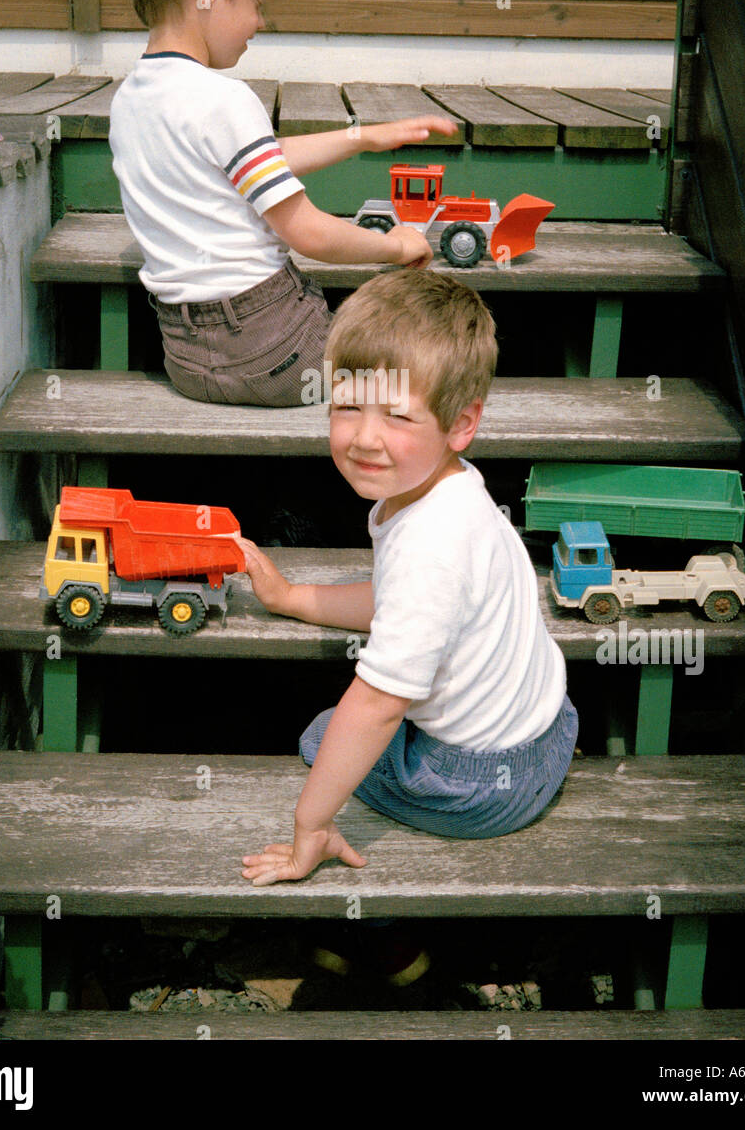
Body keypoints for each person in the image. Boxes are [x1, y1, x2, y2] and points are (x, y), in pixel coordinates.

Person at [235, 268, 579, 983]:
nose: (364, 438)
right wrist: (297, 598)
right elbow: (400, 603)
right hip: (550, 728)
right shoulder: (448, 489)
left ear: (461, 423)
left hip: (482, 783)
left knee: (325, 734)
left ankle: (381, 926)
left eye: (396, 417)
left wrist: (308, 828)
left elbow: (380, 703)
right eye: (347, 408)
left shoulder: (430, 544)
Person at [109, 0, 457, 406]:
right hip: (277, 355)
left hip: (186, 360)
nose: (260, 22)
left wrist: (361, 138)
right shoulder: (223, 99)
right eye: (257, 1)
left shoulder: (131, 101)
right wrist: (393, 245)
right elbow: (310, 235)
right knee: (415, 333)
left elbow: (249, 164)